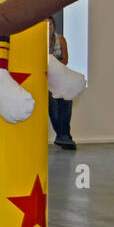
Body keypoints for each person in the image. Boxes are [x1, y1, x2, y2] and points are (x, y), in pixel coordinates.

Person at [48, 18, 76, 150]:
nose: (48, 27)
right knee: (52, 104)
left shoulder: (61, 40)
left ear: (54, 25)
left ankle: (64, 135)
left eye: (51, 24)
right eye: (45, 25)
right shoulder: (36, 40)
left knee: (67, 100)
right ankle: (63, 136)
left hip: (60, 77)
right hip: (45, 80)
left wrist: (51, 60)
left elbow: (65, 60)